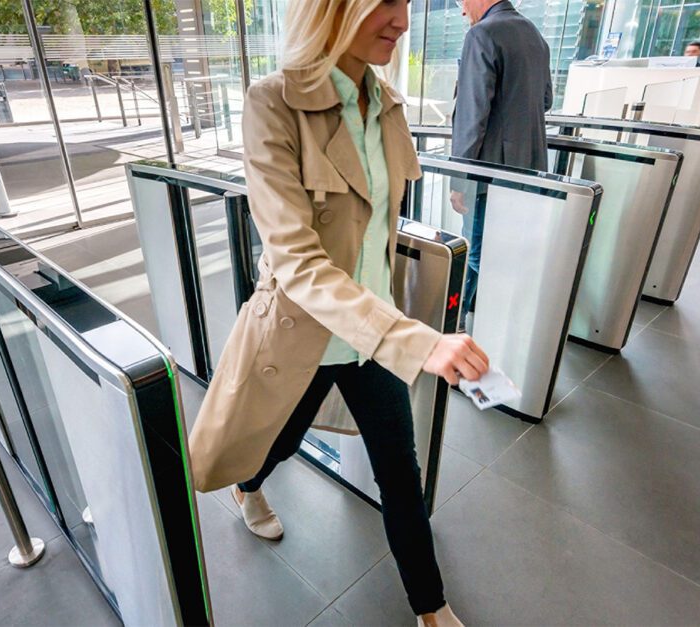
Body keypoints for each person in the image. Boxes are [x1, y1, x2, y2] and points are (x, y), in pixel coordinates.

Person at [188, 1, 490, 624]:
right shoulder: (272, 104)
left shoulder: (389, 105)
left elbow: (381, 227)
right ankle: (249, 486)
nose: (401, 19)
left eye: (407, 3)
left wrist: (396, 331)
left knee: (400, 475)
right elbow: (296, 262)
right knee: (281, 438)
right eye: (384, 1)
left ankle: (431, 610)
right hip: (303, 337)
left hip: (373, 334)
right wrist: (417, 340)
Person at [450, 0, 553, 316]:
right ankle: (498, 316)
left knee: (478, 252)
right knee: (509, 248)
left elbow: (471, 117)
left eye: (461, 3)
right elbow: (546, 101)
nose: (462, 11)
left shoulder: (483, 34)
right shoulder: (534, 34)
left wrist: (459, 182)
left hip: (489, 174)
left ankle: (463, 324)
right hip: (530, 169)